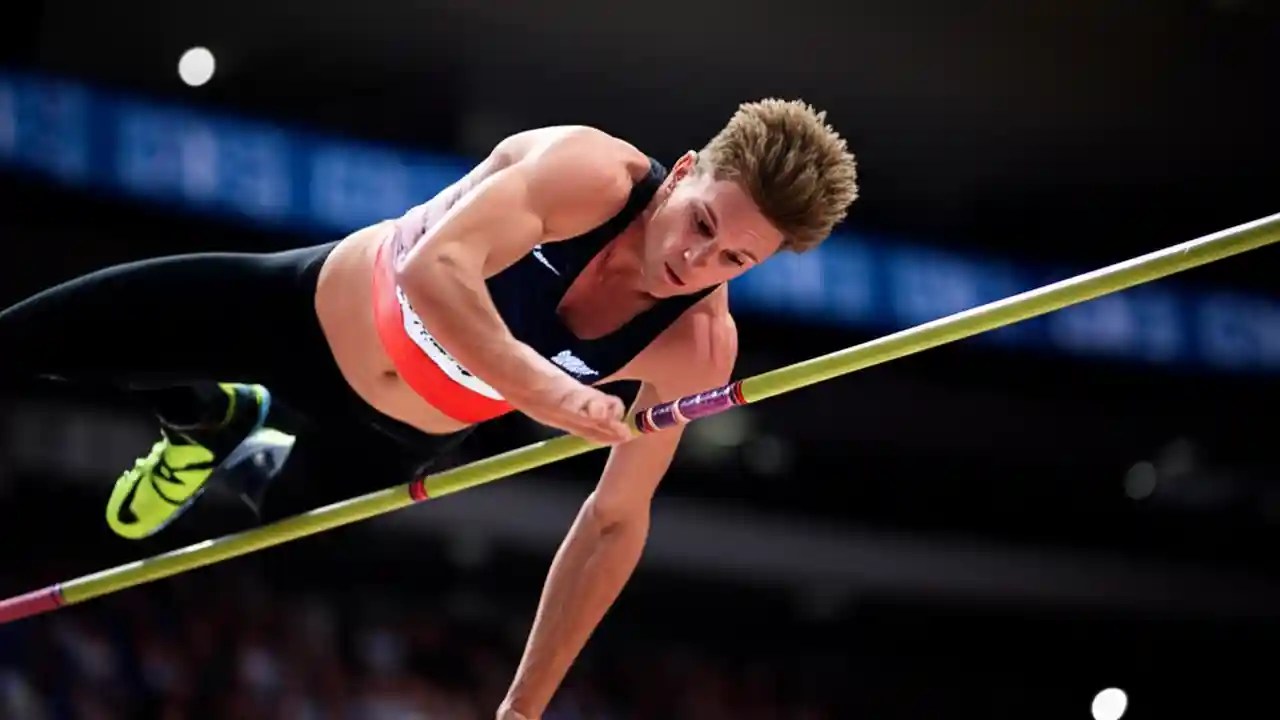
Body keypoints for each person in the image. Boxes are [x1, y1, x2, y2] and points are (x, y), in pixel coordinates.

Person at [0, 98, 858, 718]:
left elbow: (614, 521)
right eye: (701, 222)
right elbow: (432, 273)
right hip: (295, 315)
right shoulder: (587, 174)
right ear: (680, 176)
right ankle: (204, 408)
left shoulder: (696, 348)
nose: (696, 260)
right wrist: (548, 391)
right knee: (35, 342)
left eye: (734, 259)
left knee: (275, 516)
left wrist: (523, 708)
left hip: (384, 442)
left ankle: (225, 432)